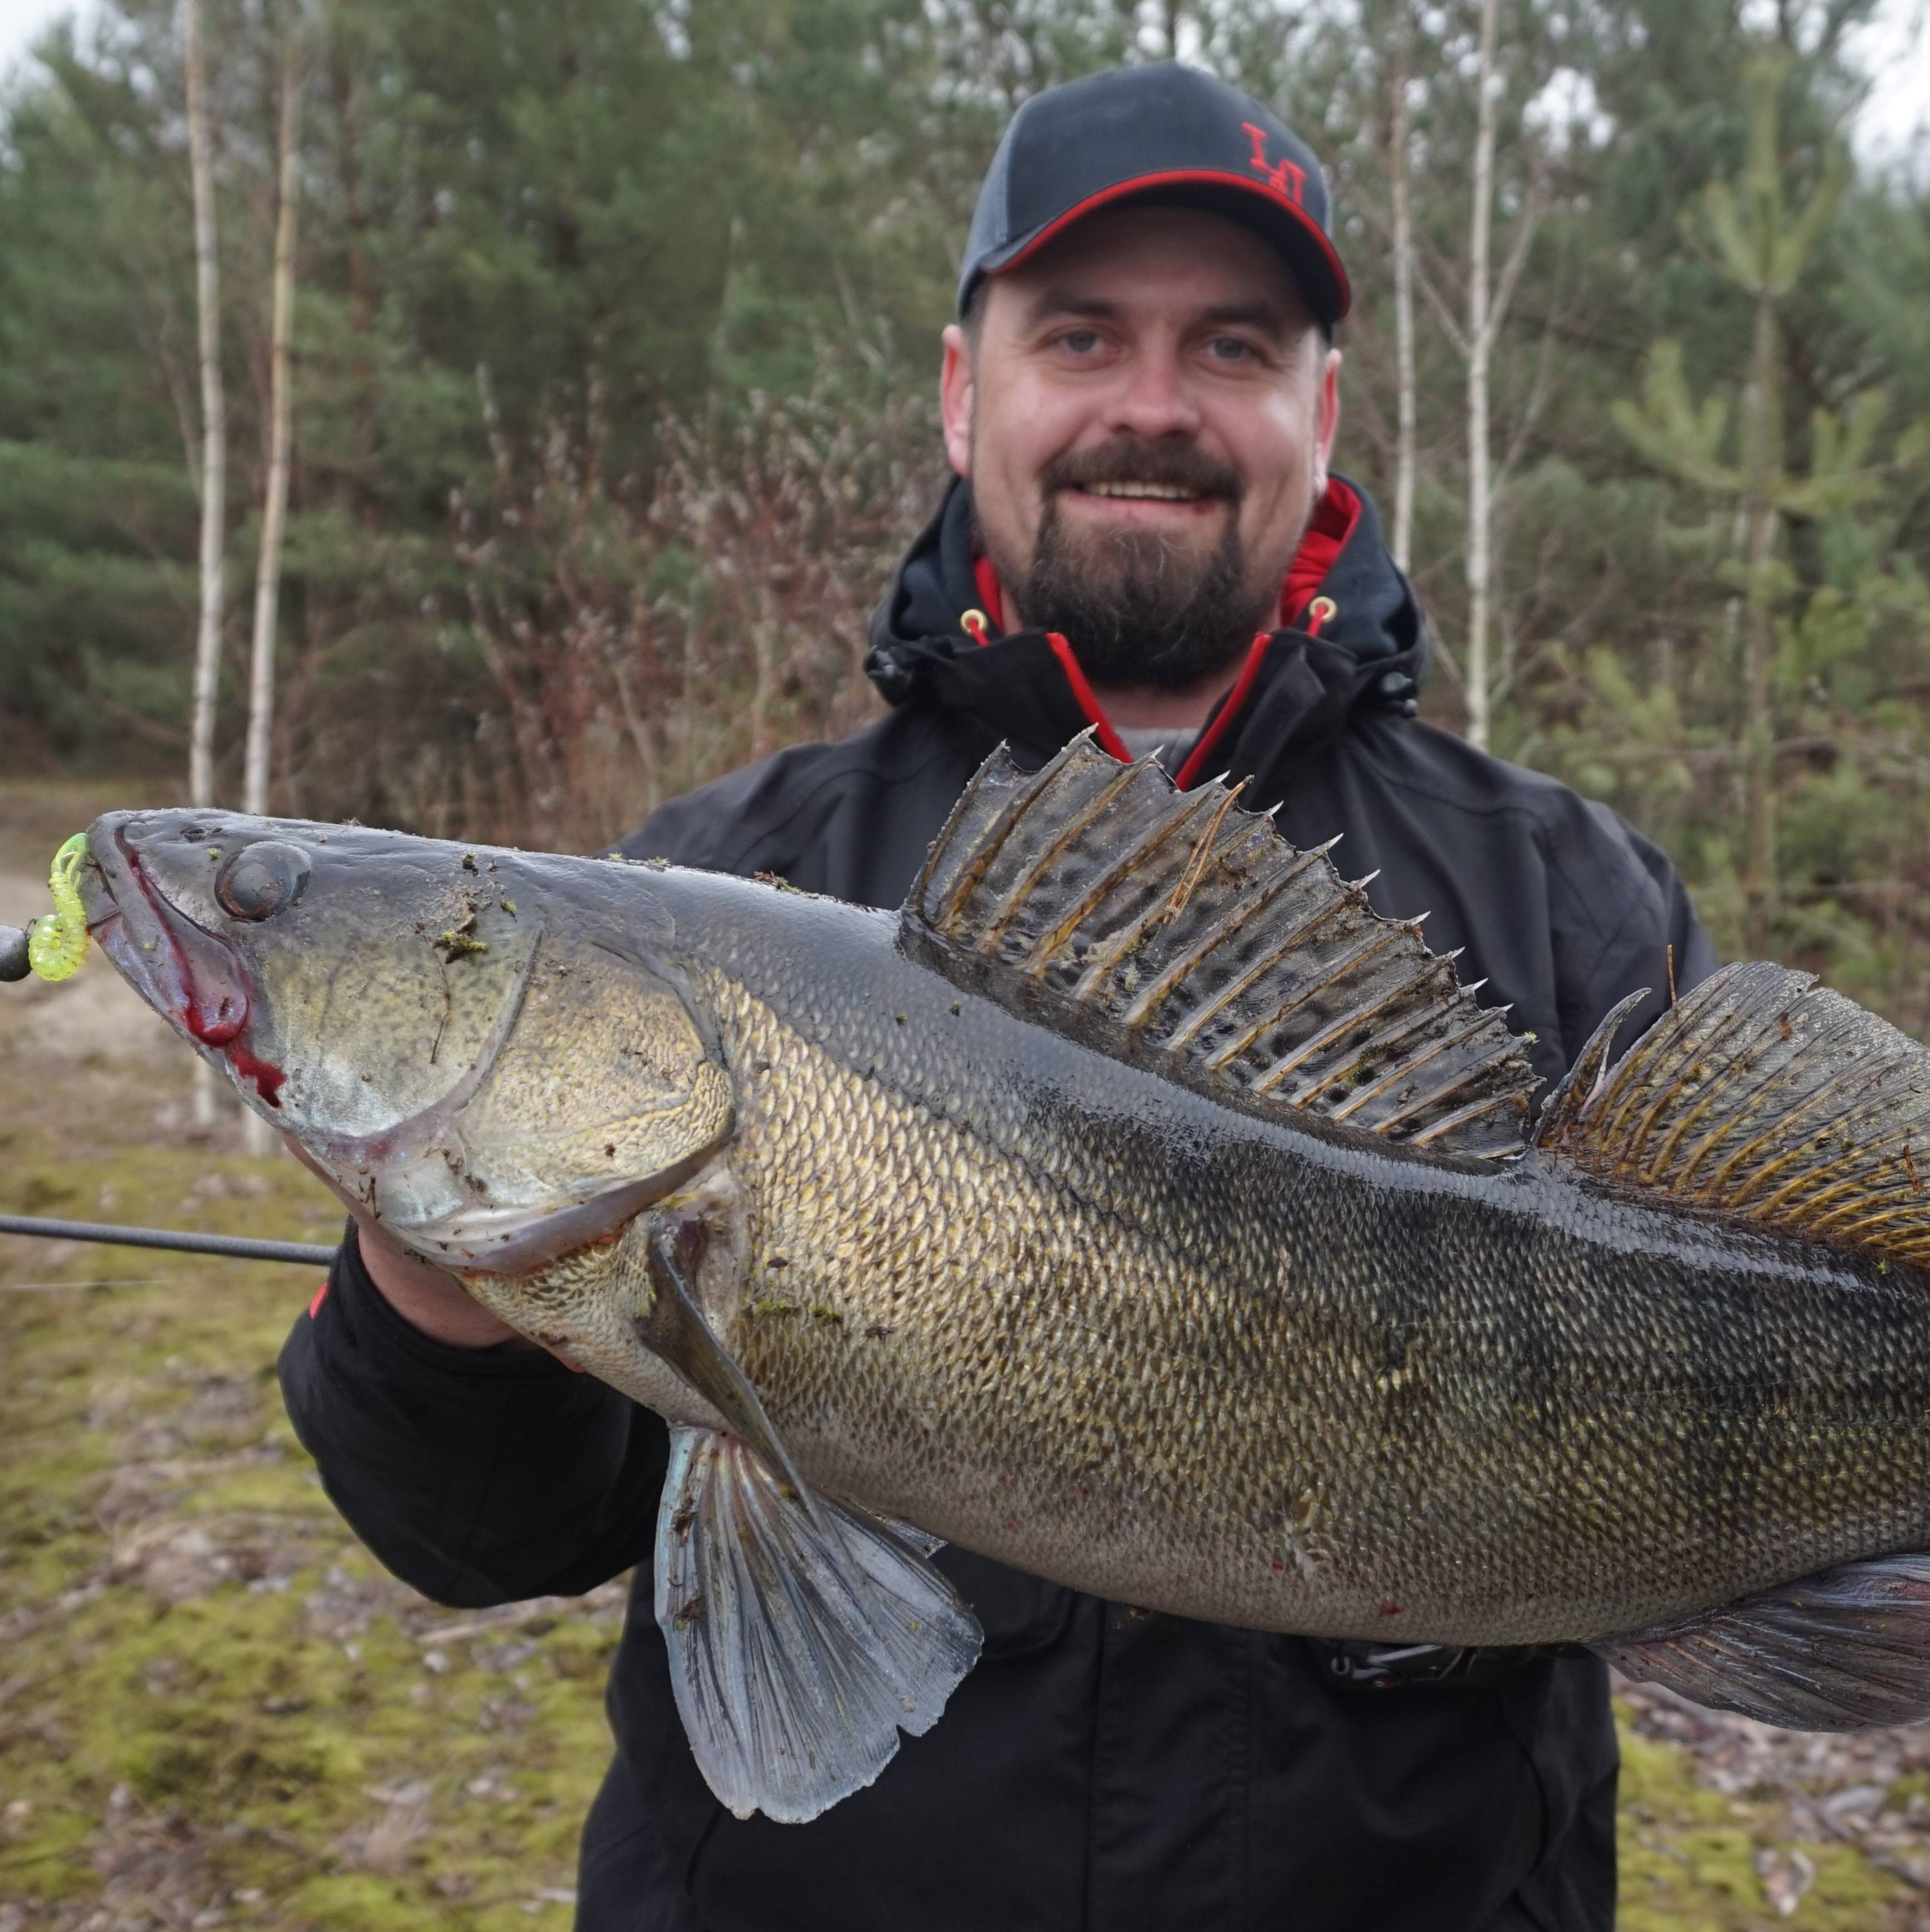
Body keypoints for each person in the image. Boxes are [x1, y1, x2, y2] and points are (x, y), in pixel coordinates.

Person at [281, 62, 1715, 1932]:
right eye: (1078, 334)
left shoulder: (1563, 895)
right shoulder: (719, 879)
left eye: (1229, 345)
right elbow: (480, 1538)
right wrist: (431, 1271)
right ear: (966, 394)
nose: (1149, 405)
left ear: (1319, 413)